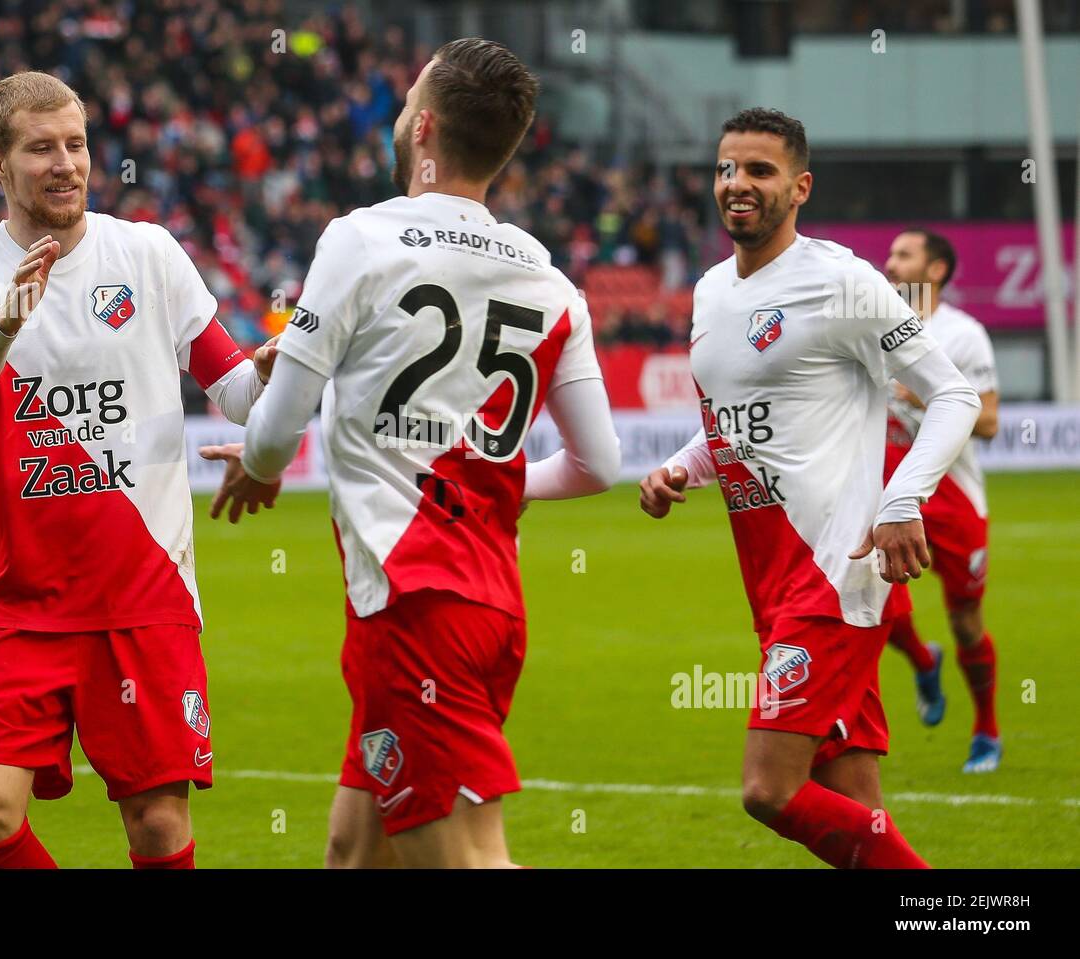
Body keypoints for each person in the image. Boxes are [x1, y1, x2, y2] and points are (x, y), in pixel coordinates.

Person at [203, 39, 620, 868]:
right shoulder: (549, 278)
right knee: (354, 852)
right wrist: (492, 478)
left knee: (463, 858)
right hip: (488, 601)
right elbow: (598, 463)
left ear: (422, 126)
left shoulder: (360, 239)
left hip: (415, 599)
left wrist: (259, 458)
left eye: (404, 102)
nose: (398, 113)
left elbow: (283, 424)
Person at [0, 71, 275, 868]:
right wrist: (3, 326)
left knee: (157, 827)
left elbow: (239, 393)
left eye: (76, 144)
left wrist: (280, 371)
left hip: (141, 595)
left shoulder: (148, 253)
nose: (65, 163)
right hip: (18, 601)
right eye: (40, 148)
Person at [639, 108, 980, 868]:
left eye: (759, 171)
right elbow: (733, 420)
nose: (738, 185)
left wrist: (900, 501)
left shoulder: (842, 281)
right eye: (727, 168)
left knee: (769, 788)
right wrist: (680, 469)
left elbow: (952, 396)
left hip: (833, 577)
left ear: (799, 187)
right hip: (770, 584)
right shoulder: (708, 292)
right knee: (860, 810)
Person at [882, 228, 1002, 772]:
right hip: (883, 490)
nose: (889, 262)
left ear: (936, 271)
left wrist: (929, 396)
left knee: (965, 622)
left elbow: (991, 423)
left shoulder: (962, 334)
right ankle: (920, 661)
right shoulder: (870, 325)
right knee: (869, 601)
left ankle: (987, 730)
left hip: (951, 495)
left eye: (903, 255)